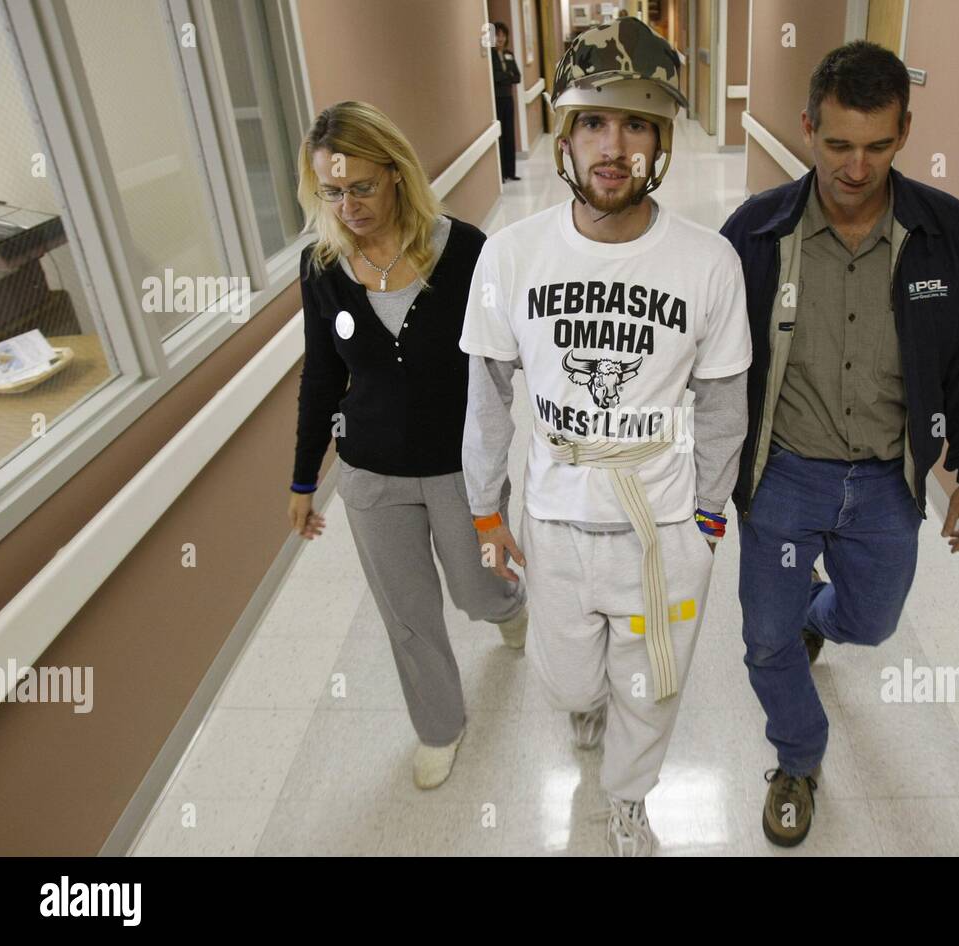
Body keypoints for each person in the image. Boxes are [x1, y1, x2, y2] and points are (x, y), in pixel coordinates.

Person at [459, 18, 751, 856]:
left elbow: (725, 404)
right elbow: (486, 399)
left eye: (634, 124)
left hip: (661, 522)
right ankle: (590, 708)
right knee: (570, 680)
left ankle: (628, 797)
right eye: (592, 121)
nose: (612, 147)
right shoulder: (511, 258)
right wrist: (487, 511)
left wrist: (708, 517)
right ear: (565, 134)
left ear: (661, 140)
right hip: (555, 515)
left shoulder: (706, 263)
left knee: (652, 686)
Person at [719, 41, 959, 846]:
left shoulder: (950, 238)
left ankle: (821, 614)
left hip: (887, 481)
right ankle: (797, 760)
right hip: (783, 478)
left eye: (878, 146)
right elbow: (711, 365)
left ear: (905, 132)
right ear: (808, 128)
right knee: (765, 640)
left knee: (872, 623)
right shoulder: (754, 233)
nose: (856, 167)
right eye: (838, 144)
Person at [289, 101, 527, 791]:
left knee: (478, 591)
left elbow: (504, 362)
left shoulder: (467, 253)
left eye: (361, 187)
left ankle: (509, 608)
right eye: (331, 191)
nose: (348, 205)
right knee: (407, 614)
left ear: (396, 175)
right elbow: (321, 376)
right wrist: (304, 481)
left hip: (462, 471)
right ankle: (439, 725)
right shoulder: (322, 266)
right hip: (370, 475)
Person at [490, 22, 522, 181]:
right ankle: (501, 174)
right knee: (501, 137)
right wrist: (506, 75)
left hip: (508, 98)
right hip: (497, 100)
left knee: (510, 135)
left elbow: (517, 77)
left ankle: (511, 172)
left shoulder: (509, 54)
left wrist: (505, 76)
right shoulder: (490, 55)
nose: (500, 38)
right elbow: (494, 77)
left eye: (503, 35)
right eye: (497, 35)